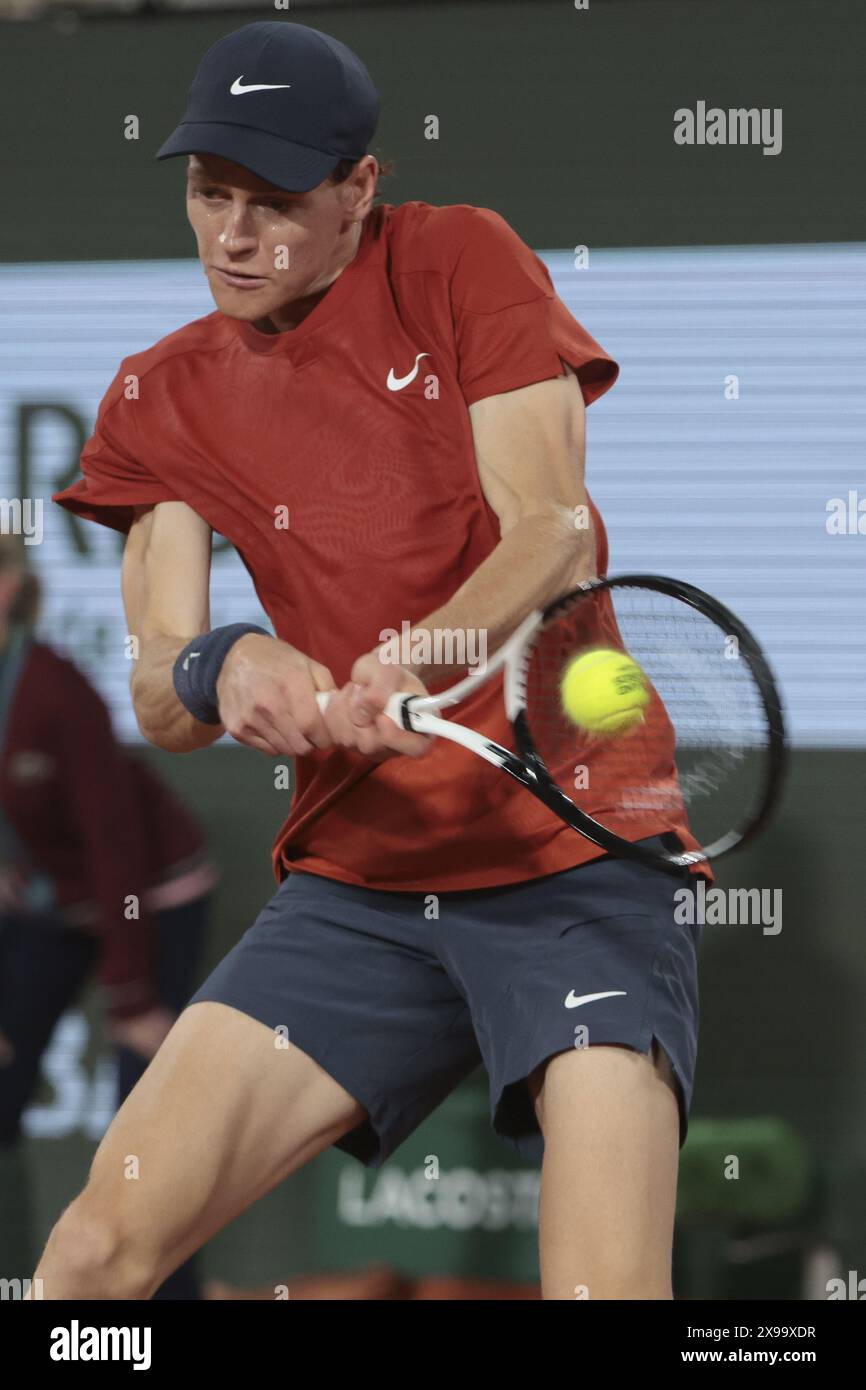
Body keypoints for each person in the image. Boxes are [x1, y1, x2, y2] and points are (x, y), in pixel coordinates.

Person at [34, 20, 702, 1300]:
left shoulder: (459, 259)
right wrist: (222, 665)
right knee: (87, 1264)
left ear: (357, 192)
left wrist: (427, 655)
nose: (233, 235)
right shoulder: (154, 397)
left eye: (275, 202)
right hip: (364, 889)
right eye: (207, 193)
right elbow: (159, 676)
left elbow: (551, 527)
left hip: (577, 860)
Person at [0, 533, 217, 1298]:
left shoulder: (57, 692)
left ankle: (167, 1301)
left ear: (8, 586)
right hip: (49, 904)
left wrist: (131, 1000)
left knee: (146, 1129)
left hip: (147, 895)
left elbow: (114, 847)